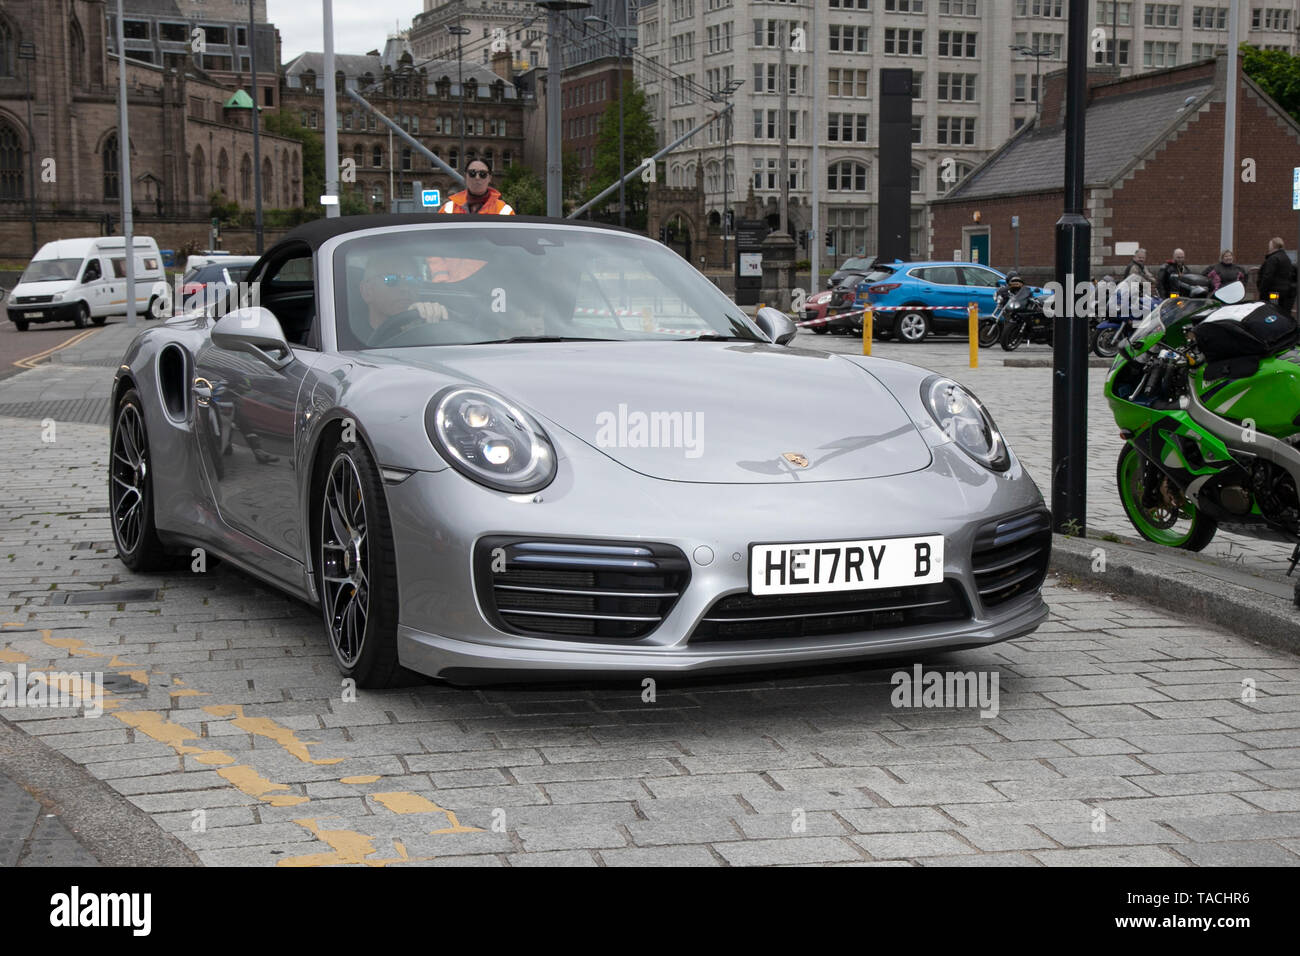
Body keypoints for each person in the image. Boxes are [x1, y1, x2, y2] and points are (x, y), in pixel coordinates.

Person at [358, 254, 450, 343]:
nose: (405, 288)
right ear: (367, 290)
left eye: (412, 280)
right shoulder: (348, 342)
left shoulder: (427, 327)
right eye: (392, 279)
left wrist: (431, 325)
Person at [440, 160, 515, 215]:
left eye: (483, 174)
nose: (477, 177)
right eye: (472, 173)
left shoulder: (504, 211)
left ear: (489, 178)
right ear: (466, 176)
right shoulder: (448, 209)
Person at [1258, 237, 1297, 317]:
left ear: (1273, 246)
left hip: (1273, 292)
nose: (1269, 247)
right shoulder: (1286, 258)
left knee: (1273, 311)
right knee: (1282, 313)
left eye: (1270, 244)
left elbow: (1267, 276)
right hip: (1285, 291)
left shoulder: (1273, 259)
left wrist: (1262, 289)